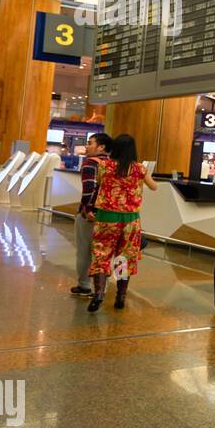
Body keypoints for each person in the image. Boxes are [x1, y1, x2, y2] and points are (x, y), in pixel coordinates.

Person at [87, 134, 158, 312]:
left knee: (101, 255)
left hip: (106, 218)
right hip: (130, 220)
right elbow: (154, 186)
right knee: (123, 258)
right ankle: (120, 297)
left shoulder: (104, 166)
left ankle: (99, 294)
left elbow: (100, 183)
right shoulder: (139, 169)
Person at [70, 132, 112, 297]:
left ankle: (84, 285)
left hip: (90, 215)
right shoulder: (113, 164)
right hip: (108, 215)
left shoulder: (90, 164)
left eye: (90, 143)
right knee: (104, 253)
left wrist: (87, 209)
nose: (87, 146)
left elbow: (89, 189)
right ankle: (101, 287)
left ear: (101, 147)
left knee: (84, 251)